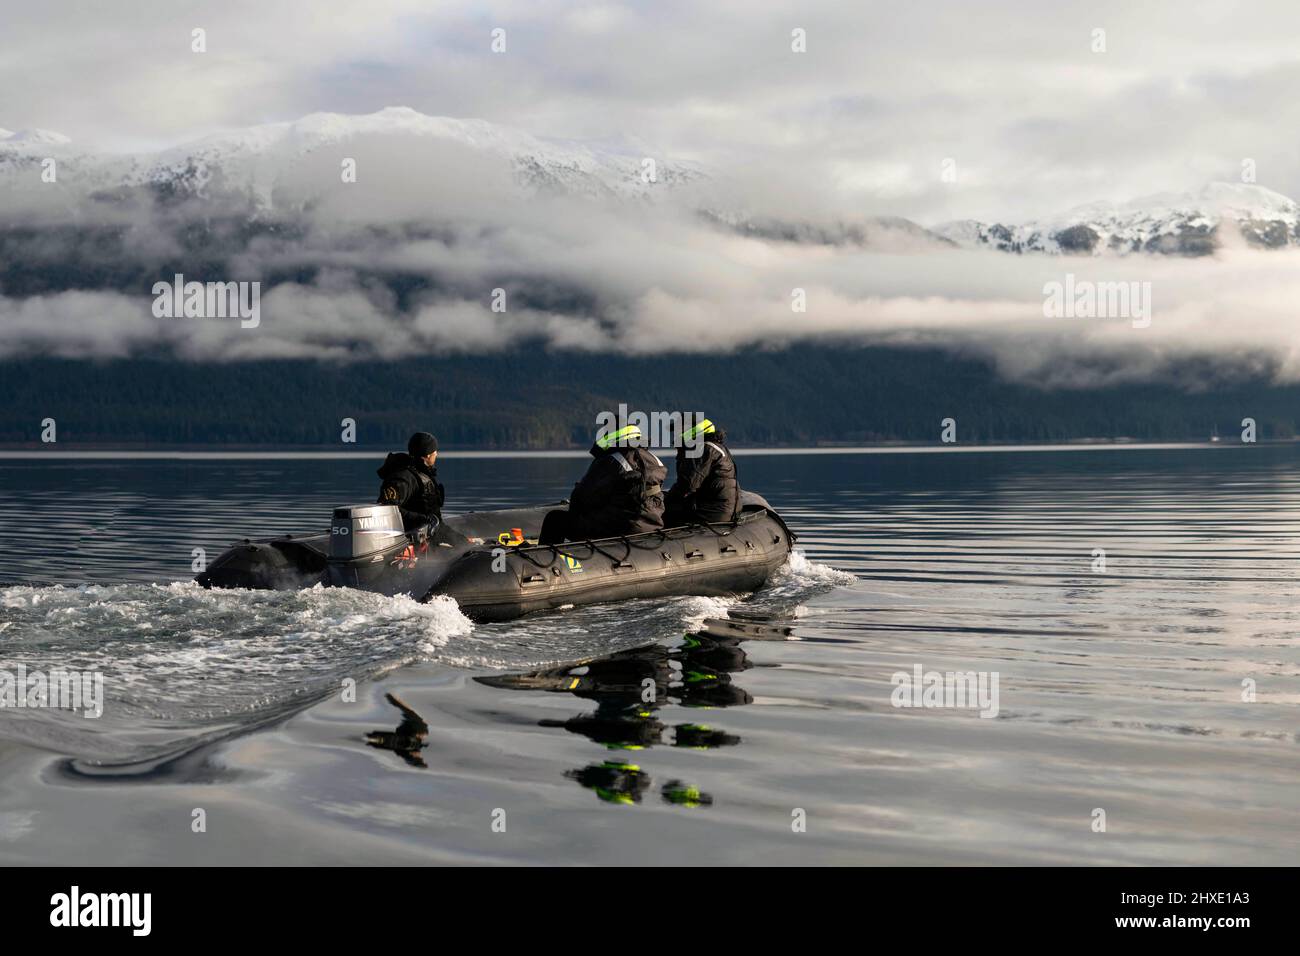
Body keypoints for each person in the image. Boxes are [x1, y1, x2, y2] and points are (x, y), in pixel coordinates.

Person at [539, 423, 667, 544]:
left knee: (554, 519)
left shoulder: (611, 461)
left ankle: (544, 557)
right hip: (652, 525)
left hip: (620, 528)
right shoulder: (654, 459)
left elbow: (581, 497)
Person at [664, 418, 739, 526]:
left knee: (664, 510)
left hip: (713, 510)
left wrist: (666, 500)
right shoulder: (715, 447)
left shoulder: (702, 449)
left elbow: (688, 485)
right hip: (723, 506)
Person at [376, 431, 445, 531]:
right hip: (408, 537)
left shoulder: (422, 476)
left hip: (425, 533)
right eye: (435, 451)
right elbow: (388, 508)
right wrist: (423, 519)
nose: (437, 454)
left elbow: (438, 525)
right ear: (428, 455)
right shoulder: (403, 478)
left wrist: (464, 541)